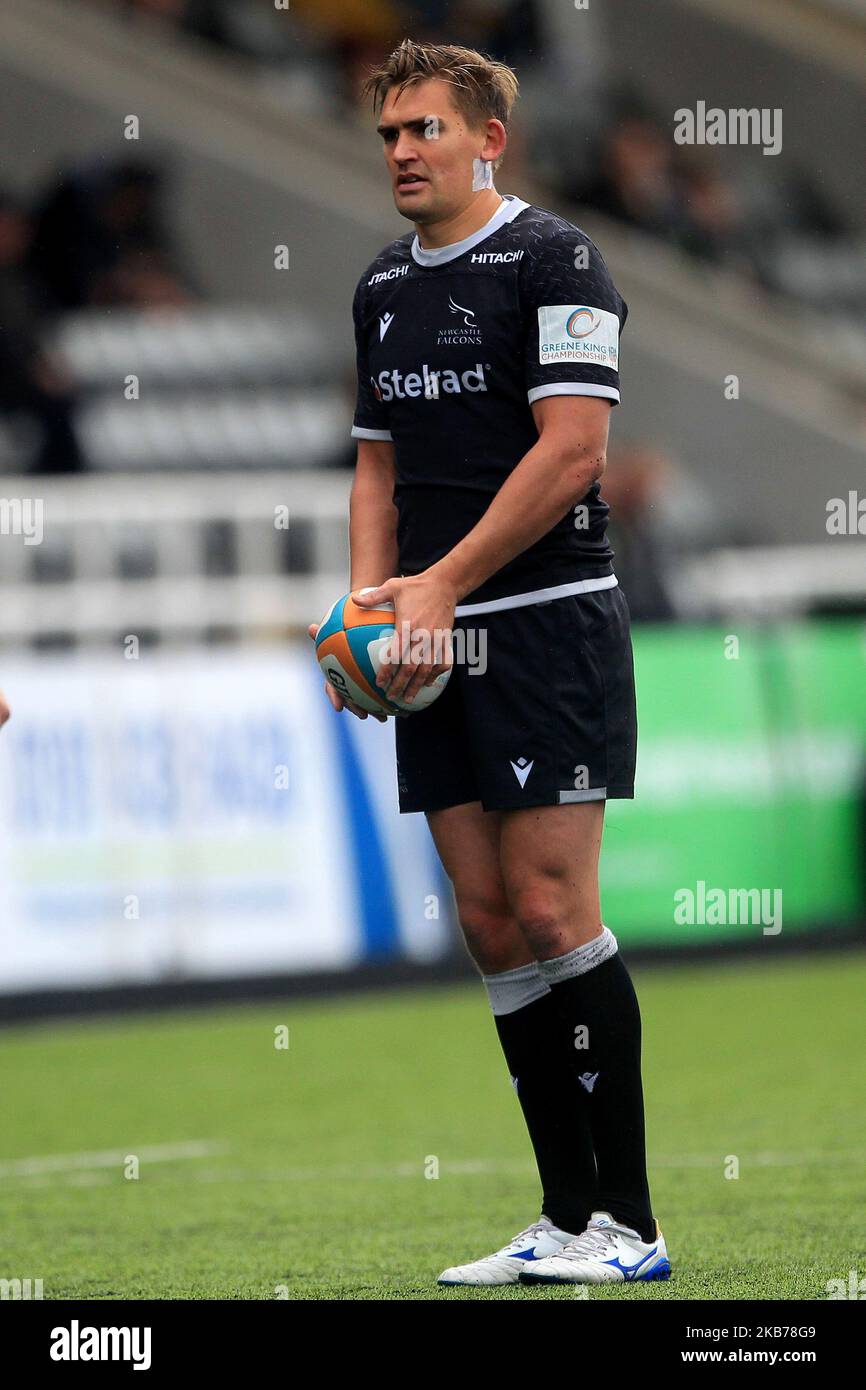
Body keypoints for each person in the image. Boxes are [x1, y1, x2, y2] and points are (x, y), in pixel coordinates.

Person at [308, 38, 669, 1287]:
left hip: (544, 621)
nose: (402, 152)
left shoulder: (556, 259)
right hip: (429, 635)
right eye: (389, 134)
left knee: (556, 910)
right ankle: (564, 1219)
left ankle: (631, 1225)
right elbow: (376, 466)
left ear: (487, 140)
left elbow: (572, 452)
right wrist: (368, 613)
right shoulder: (377, 287)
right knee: (486, 923)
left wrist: (441, 584)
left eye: (424, 130)